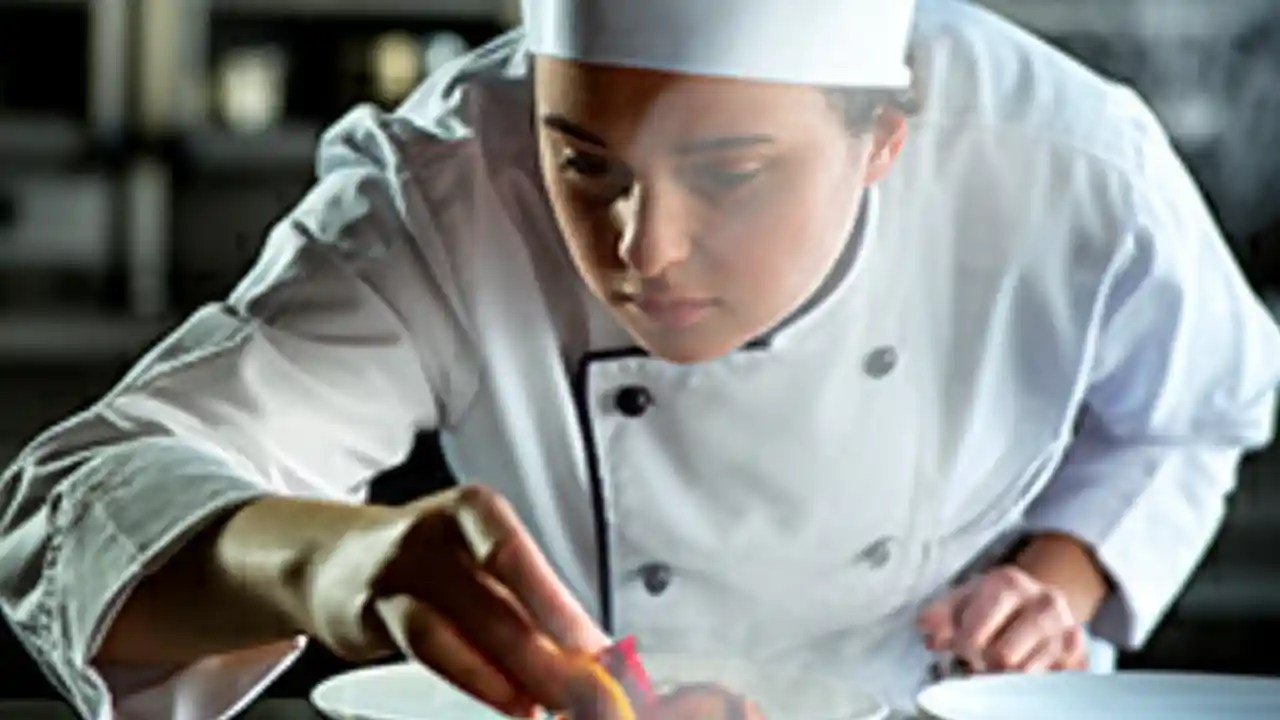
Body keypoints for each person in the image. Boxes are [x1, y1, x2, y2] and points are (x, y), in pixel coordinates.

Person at [3, 0, 1280, 717]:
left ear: (880, 141)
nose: (638, 248)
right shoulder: (447, 185)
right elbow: (73, 505)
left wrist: (1055, 578)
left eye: (727, 173)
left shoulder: (1069, 166)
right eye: (583, 164)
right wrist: (333, 563)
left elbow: (1195, 413)